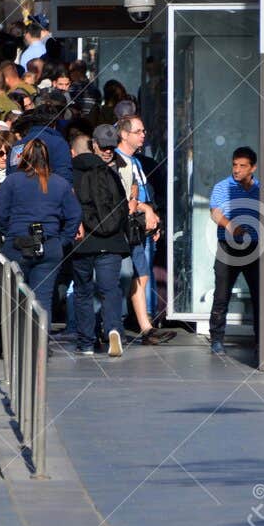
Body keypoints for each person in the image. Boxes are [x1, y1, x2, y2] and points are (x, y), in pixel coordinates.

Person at [0, 138, 82, 329]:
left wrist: (10, 233)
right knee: (43, 300)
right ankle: (41, 342)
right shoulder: (61, 183)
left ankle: (17, 342)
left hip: (18, 244)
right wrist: (61, 240)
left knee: (15, 301)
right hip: (49, 245)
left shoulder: (12, 181)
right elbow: (75, 215)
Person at [71, 123, 133, 357]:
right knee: (110, 289)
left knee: (83, 291)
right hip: (112, 241)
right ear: (95, 145)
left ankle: (86, 342)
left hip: (82, 242)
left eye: (110, 147)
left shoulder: (72, 173)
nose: (108, 151)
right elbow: (123, 208)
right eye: (106, 147)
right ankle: (113, 329)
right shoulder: (112, 174)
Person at [116, 115, 173, 345]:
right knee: (125, 276)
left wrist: (153, 218)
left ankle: (146, 327)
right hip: (126, 228)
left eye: (143, 131)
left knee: (142, 274)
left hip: (141, 227)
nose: (143, 135)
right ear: (124, 135)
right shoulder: (118, 162)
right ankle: (114, 324)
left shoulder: (136, 162)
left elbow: (143, 193)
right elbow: (124, 198)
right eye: (138, 131)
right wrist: (146, 210)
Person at [208, 145, 263, 355]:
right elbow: (215, 212)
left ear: (252, 168)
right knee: (221, 295)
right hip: (228, 248)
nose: (237, 170)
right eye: (234, 165)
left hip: (254, 248)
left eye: (242, 166)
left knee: (260, 295)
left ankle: (261, 340)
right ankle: (216, 339)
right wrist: (230, 226)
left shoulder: (261, 189)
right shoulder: (223, 187)